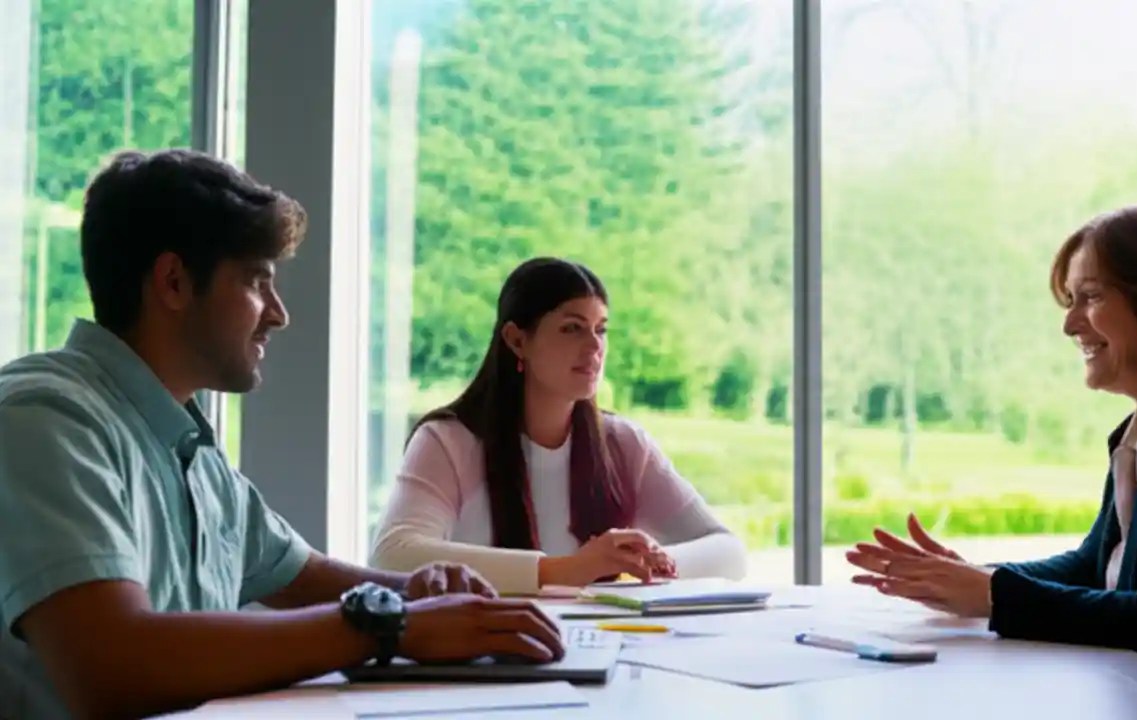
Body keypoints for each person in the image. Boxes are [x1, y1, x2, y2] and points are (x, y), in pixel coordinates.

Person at [0, 150, 564, 720]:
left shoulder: (184, 444)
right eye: (257, 281)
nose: (278, 313)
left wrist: (421, 595)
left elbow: (302, 574)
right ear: (173, 282)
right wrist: (390, 625)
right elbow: (112, 666)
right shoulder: (45, 419)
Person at [845, 202, 1137, 718]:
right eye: (1070, 301)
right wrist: (975, 577)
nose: (1070, 324)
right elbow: (1095, 567)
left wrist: (997, 595)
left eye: (1090, 297)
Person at [370, 258, 748, 594]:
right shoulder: (448, 440)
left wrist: (649, 561)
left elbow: (728, 552)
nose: (594, 346)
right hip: (487, 656)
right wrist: (567, 570)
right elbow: (393, 555)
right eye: (572, 328)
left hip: (607, 648)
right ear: (517, 340)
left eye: (601, 329)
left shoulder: (623, 443)